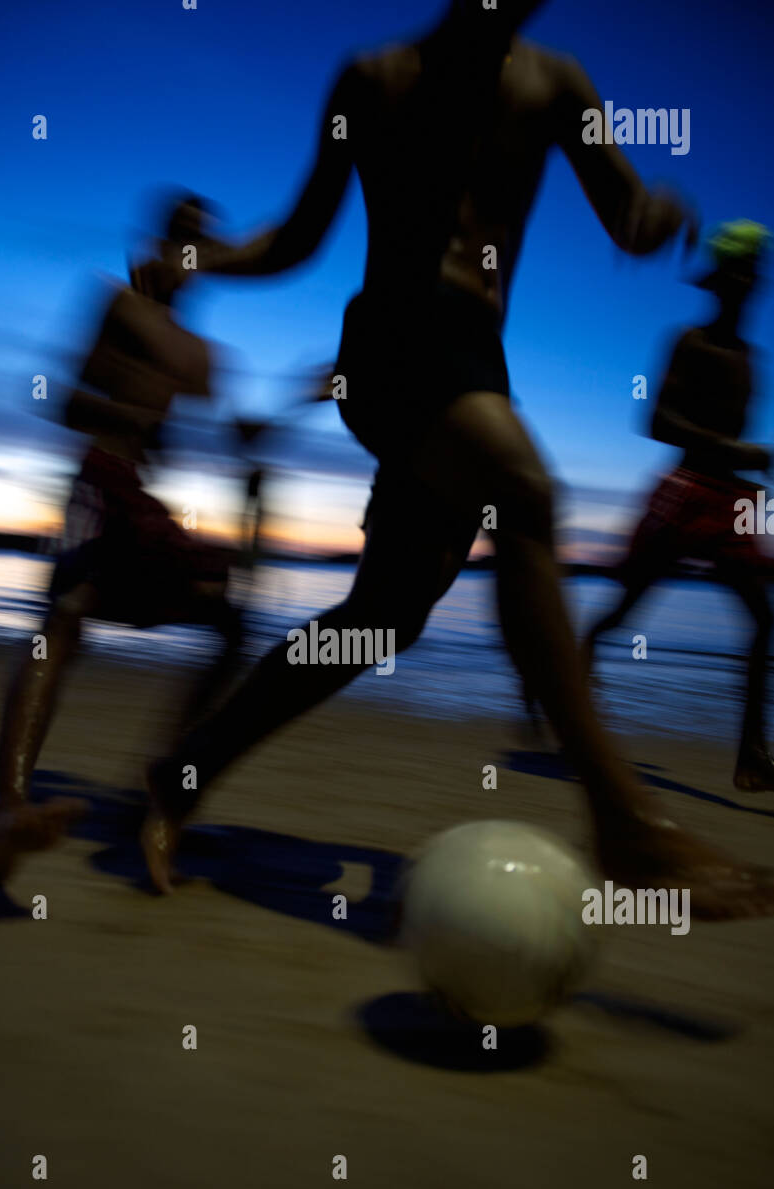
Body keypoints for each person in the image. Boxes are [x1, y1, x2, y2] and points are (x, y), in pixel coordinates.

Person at [142, 0, 771, 917]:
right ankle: (621, 821)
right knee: (525, 491)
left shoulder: (558, 86)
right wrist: (203, 256)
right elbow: (298, 234)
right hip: (392, 346)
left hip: (477, 362)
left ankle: (179, 775)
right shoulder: (372, 78)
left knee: (384, 617)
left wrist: (659, 212)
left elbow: (625, 216)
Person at [0, 193, 245, 885]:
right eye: (179, 237)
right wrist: (129, 412)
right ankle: (4, 807)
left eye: (201, 244)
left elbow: (211, 432)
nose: (187, 255)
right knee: (63, 621)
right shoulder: (118, 303)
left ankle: (159, 790)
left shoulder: (203, 353)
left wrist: (269, 423)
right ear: (154, 240)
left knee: (228, 619)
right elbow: (55, 398)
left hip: (146, 505)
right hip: (97, 482)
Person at [582, 222, 772, 791]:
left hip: (731, 498)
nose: (745, 282)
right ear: (717, 283)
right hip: (687, 492)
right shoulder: (690, 342)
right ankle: (573, 700)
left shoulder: (748, 355)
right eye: (736, 272)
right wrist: (737, 449)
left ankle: (750, 758)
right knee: (623, 614)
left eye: (752, 272)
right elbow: (657, 419)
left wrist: (746, 468)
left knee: (764, 619)